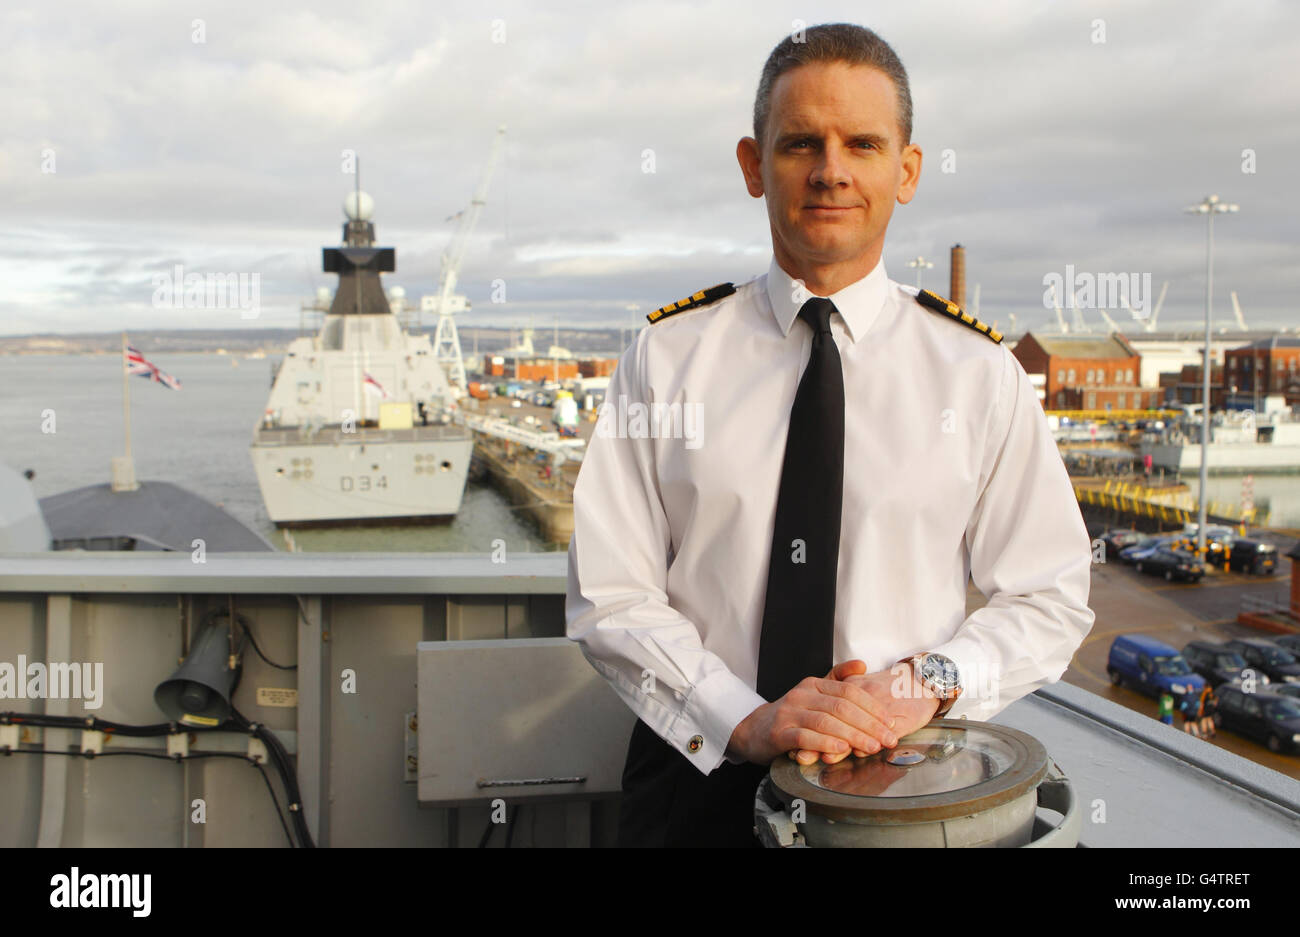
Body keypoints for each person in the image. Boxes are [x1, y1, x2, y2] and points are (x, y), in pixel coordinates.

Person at [565, 22, 1095, 847]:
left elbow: (1050, 593)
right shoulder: (664, 361)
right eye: (801, 142)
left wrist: (924, 683)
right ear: (753, 164)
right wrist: (743, 718)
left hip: (901, 790)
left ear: (907, 170)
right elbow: (611, 591)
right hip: (695, 781)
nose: (832, 170)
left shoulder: (976, 373)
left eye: (864, 144)